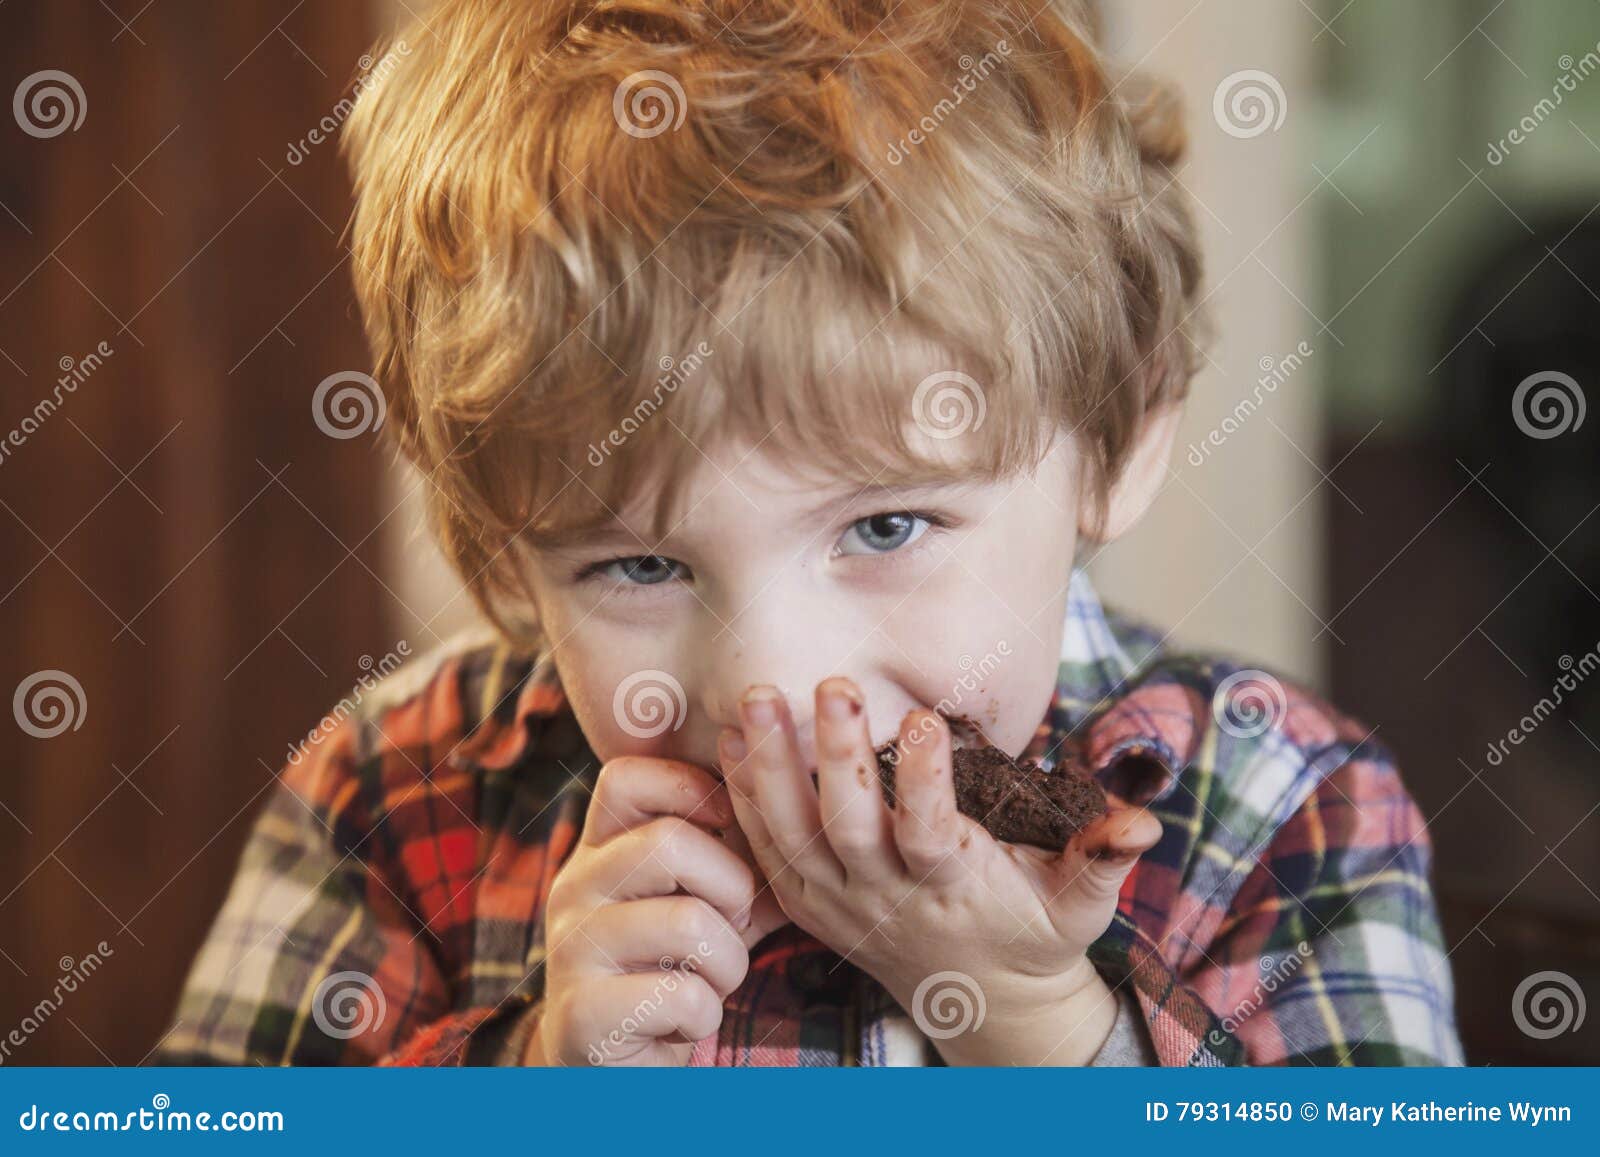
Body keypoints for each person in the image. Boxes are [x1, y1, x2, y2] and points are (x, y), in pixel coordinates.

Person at [160, 0, 1462, 1067]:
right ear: (501, 554)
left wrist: (1037, 1023)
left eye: (888, 523)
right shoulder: (390, 797)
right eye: (640, 564)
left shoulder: (1282, 812)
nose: (774, 686)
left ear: (1112, 448)